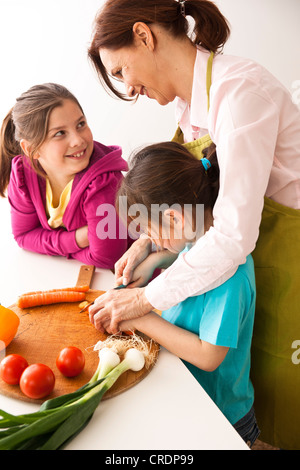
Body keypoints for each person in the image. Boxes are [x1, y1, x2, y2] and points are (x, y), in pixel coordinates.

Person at [87, 0, 300, 448]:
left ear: (145, 36)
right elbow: (196, 200)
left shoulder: (240, 94)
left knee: (280, 392)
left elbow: (231, 235)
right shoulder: (190, 102)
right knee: (242, 375)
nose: (128, 88)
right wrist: (149, 243)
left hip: (286, 254)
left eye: (122, 70)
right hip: (248, 252)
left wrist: (142, 302)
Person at [90, 141, 260, 447]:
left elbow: (208, 356)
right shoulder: (202, 236)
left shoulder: (229, 275)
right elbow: (187, 254)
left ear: (175, 219)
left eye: (149, 229)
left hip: (219, 416)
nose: (148, 239)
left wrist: (140, 317)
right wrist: (156, 258)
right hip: (186, 391)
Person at [0, 83, 130, 269]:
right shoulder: (23, 174)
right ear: (31, 150)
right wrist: (78, 239)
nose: (78, 140)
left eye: (81, 124)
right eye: (60, 133)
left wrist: (50, 244)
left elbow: (108, 258)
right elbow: (23, 236)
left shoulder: (106, 182)